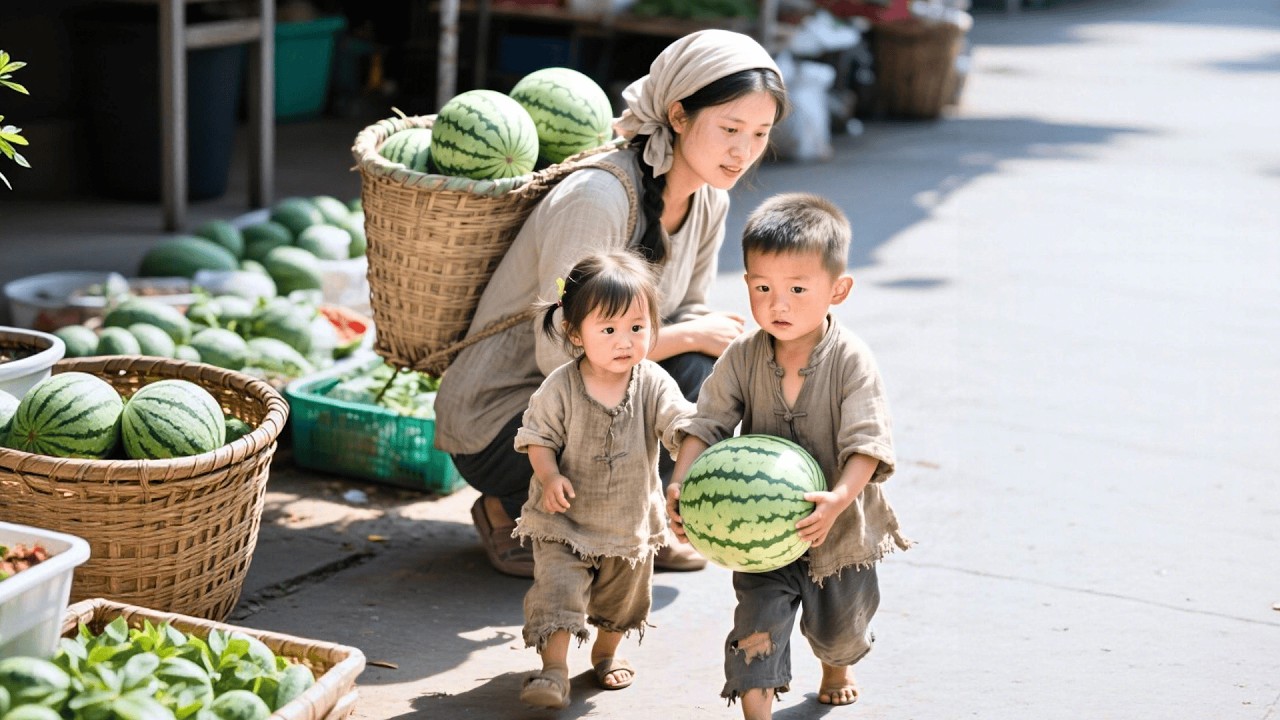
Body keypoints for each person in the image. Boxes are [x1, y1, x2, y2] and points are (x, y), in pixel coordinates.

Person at [434, 29, 790, 577]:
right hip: (505, 423)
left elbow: (693, 312)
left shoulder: (709, 201)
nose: (743, 151)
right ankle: (505, 506)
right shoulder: (598, 197)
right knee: (691, 353)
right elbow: (561, 353)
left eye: (760, 134)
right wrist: (689, 336)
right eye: (729, 128)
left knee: (712, 372)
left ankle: (646, 514)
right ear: (678, 115)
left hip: (598, 388)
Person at [664, 193, 912, 719]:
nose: (778, 304)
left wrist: (838, 499)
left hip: (839, 529)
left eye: (798, 289)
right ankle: (756, 704)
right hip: (761, 534)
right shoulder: (742, 356)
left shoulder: (851, 360)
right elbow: (705, 422)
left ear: (837, 290)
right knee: (756, 627)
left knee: (838, 631)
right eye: (763, 288)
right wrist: (680, 484)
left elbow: (866, 443)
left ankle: (836, 666)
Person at [512, 251, 694, 709]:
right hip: (563, 523)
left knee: (621, 602)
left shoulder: (652, 382)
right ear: (576, 334)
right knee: (557, 593)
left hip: (628, 525)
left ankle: (606, 653)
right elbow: (537, 438)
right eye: (608, 330)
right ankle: (553, 670)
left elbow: (678, 421)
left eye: (637, 327)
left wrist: (692, 438)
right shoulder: (560, 387)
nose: (624, 341)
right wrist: (550, 476)